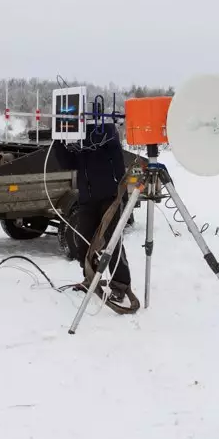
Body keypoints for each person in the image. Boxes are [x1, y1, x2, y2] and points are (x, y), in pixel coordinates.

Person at [53, 122, 139, 310]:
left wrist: (81, 133)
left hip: (111, 197)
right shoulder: (79, 140)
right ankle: (90, 278)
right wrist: (58, 139)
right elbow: (68, 163)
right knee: (83, 241)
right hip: (86, 198)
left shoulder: (106, 131)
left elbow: (113, 149)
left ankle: (120, 284)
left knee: (112, 242)